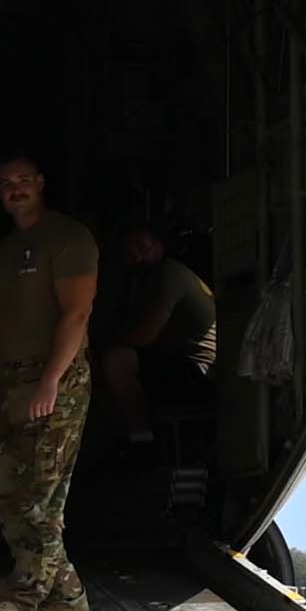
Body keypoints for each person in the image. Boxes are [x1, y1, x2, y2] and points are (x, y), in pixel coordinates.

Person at [0, 156, 97, 611]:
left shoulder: (68, 238)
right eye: (5, 184)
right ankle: (68, 598)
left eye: (23, 181)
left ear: (41, 184)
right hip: (10, 381)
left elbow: (77, 313)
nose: (15, 189)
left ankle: (21, 603)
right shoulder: (5, 252)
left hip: (54, 381)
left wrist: (50, 381)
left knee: (40, 498)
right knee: (12, 496)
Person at [97, 218, 221, 510]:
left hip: (199, 372)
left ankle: (142, 442)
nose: (138, 256)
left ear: (160, 246)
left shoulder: (168, 274)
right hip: (180, 363)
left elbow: (143, 336)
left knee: (115, 360)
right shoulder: (143, 282)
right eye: (130, 253)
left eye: (144, 248)